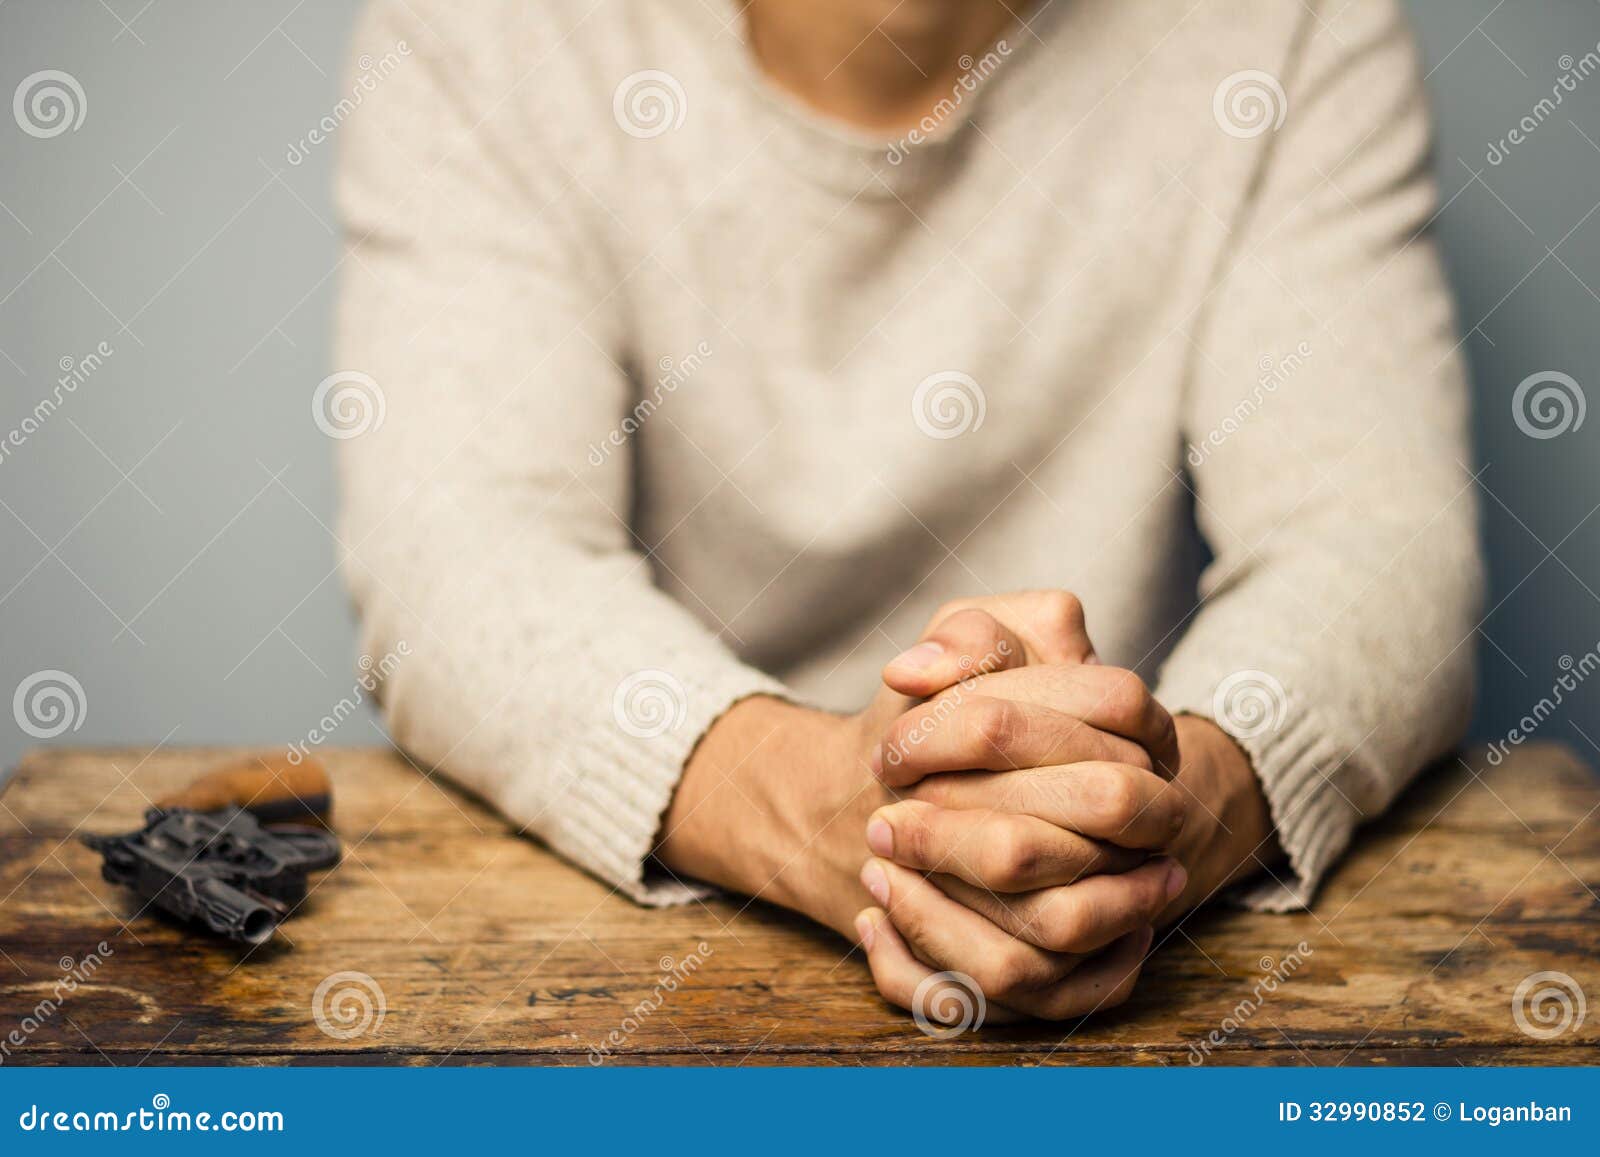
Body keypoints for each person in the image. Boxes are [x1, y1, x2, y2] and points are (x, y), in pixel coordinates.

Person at [333, 0, 1482, 1023]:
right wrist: (831, 807)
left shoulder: (1292, 29)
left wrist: (1158, 822)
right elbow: (462, 552)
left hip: (1121, 857)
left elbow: (1374, 539)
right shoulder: (478, 32)